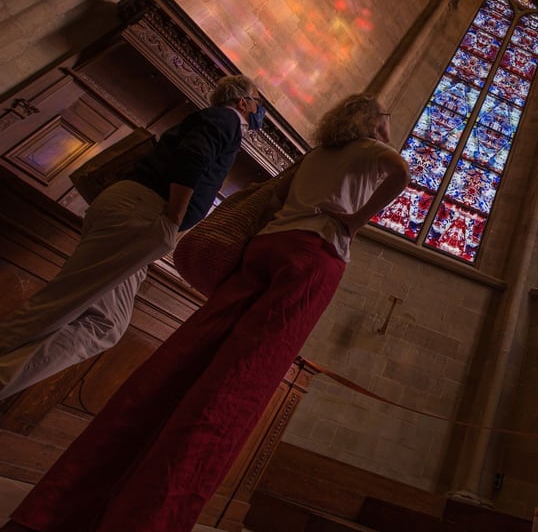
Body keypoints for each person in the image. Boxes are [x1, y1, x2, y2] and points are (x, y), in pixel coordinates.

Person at [1, 92, 409, 532]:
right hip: (313, 253)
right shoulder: (366, 148)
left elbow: (275, 200)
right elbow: (402, 172)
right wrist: (353, 221)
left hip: (265, 246)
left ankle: (54, 512)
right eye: (385, 118)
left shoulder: (316, 155)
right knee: (235, 389)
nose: (390, 127)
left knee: (173, 367)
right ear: (370, 121)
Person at [0, 74, 262, 400]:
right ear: (242, 102)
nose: (258, 109)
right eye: (257, 101)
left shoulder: (225, 125)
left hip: (141, 219)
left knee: (105, 325)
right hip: (143, 214)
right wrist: (174, 217)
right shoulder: (226, 119)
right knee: (58, 306)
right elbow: (193, 157)